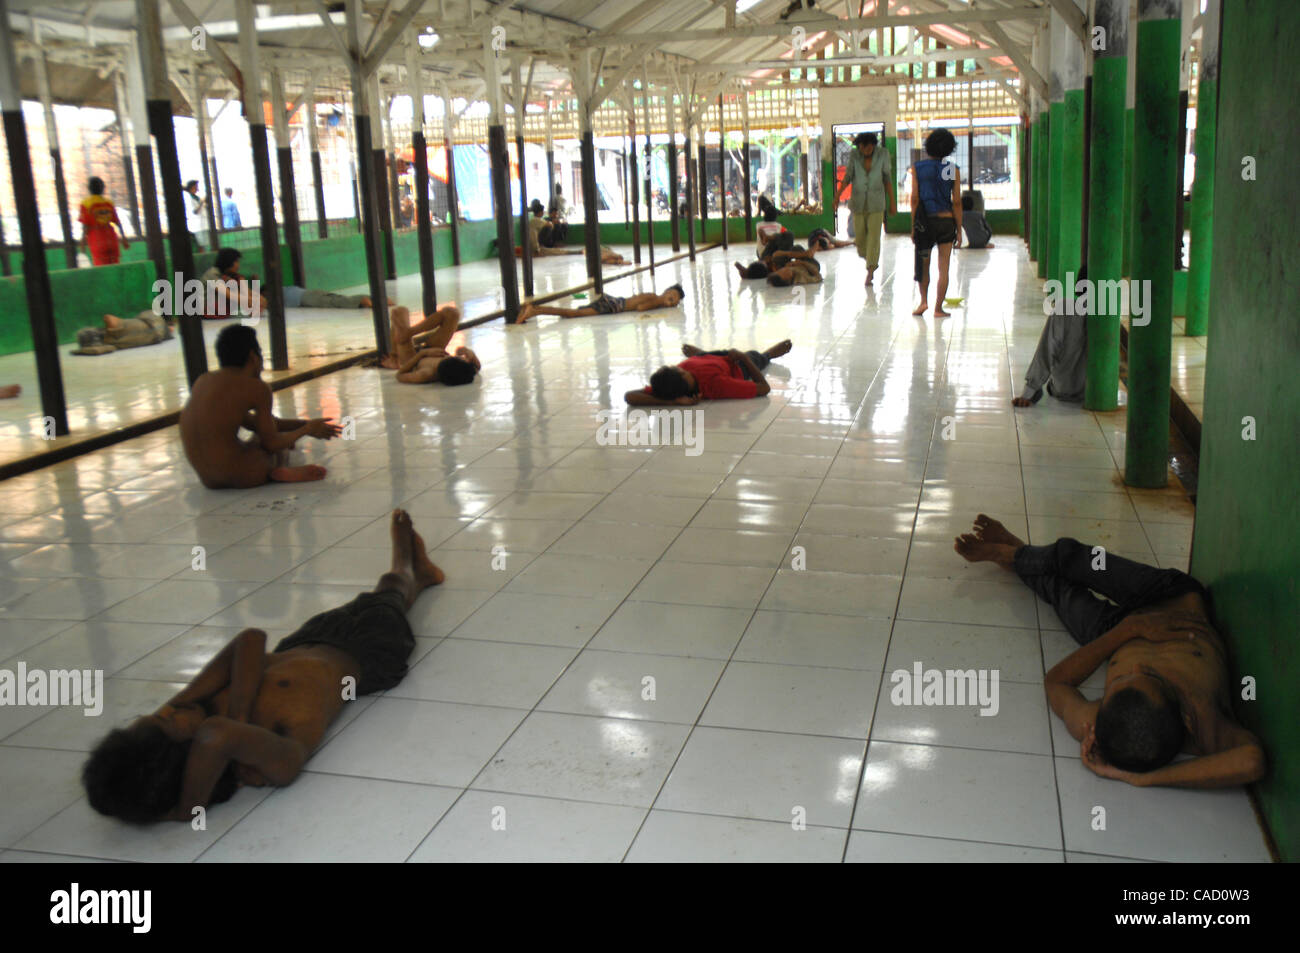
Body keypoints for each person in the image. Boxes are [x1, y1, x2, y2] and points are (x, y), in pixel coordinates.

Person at [81, 509, 445, 823]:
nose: (172, 708)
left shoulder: (207, 705)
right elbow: (216, 736)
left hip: (309, 636)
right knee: (389, 593)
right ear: (185, 755)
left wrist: (191, 697)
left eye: (162, 710)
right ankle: (406, 566)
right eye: (167, 719)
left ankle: (415, 573)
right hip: (367, 653)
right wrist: (189, 808)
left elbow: (252, 639)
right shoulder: (267, 758)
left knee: (375, 598)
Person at [954, 515, 1266, 788]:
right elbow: (1251, 761)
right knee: (1074, 557)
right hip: (1168, 594)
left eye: (1118, 680)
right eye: (1145, 675)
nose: (1136, 667)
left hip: (1116, 632)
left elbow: (1056, 683)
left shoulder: (1099, 724)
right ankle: (1014, 552)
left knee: (1060, 593)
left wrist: (1142, 778)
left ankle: (1015, 551)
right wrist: (1138, 627)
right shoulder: (1207, 720)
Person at [179, 325, 341, 488]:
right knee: (277, 447)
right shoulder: (256, 387)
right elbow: (272, 443)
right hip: (244, 474)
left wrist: (308, 425)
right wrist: (306, 430)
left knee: (271, 432)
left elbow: (254, 423)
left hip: (208, 480)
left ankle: (273, 469)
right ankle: (277, 472)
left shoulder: (203, 381)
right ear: (253, 357)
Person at [626, 340, 792, 406]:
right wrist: (743, 358)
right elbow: (764, 388)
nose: (677, 366)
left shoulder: (667, 386)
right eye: (677, 368)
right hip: (735, 365)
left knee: (702, 357)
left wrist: (672, 402)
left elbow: (629, 396)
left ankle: (701, 354)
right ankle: (769, 354)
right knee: (754, 355)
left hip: (706, 359)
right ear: (683, 375)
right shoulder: (716, 385)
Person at [1014, 266, 1087, 406]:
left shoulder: (1065, 308)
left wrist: (1030, 390)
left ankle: (1037, 388)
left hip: (1065, 390)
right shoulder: (1111, 316)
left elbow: (1047, 350)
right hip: (1100, 393)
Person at [910, 128, 962, 317]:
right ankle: (938, 308)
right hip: (946, 222)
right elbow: (956, 201)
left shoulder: (919, 168)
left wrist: (912, 226)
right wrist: (959, 230)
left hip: (925, 222)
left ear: (928, 146)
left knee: (924, 263)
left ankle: (923, 302)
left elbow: (915, 199)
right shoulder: (950, 169)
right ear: (950, 148)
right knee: (944, 266)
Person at [833, 132, 895, 286]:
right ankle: (869, 259)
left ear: (873, 145)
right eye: (861, 147)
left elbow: (887, 179)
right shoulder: (855, 155)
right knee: (859, 239)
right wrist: (837, 196)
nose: (864, 150)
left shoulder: (883, 154)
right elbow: (847, 177)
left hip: (877, 203)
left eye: (866, 147)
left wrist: (892, 202)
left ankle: (871, 270)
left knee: (874, 237)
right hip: (858, 202)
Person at [386, 304, 481, 386]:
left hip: (412, 359)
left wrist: (423, 354)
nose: (460, 357)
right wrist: (470, 353)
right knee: (452, 313)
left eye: (455, 357)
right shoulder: (463, 371)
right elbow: (477, 367)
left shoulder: (426, 374)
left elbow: (399, 375)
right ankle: (410, 332)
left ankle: (394, 358)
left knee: (400, 312)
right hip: (433, 350)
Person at [514, 284, 684, 324]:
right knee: (573, 314)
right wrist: (659, 304)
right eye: (672, 296)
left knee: (575, 313)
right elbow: (640, 308)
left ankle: (534, 310)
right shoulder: (655, 298)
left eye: (674, 301)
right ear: (667, 291)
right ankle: (535, 310)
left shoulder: (654, 297)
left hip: (612, 303)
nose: (671, 301)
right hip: (613, 305)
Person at [79, 177, 130, 266]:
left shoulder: (85, 204)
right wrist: (124, 238)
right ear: (103, 188)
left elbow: (85, 227)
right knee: (115, 266)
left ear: (89, 188)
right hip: (111, 239)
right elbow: (117, 222)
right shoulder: (109, 203)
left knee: (102, 268)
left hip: (97, 240)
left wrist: (82, 247)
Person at [73, 312, 172, 354]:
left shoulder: (111, 345)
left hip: (155, 334)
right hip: (153, 329)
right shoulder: (114, 332)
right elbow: (108, 318)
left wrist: (80, 351)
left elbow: (96, 351)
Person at [184, 180, 208, 252]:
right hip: (197, 226)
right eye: (196, 186)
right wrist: (202, 202)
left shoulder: (196, 197)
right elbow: (195, 211)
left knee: (203, 245)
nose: (197, 188)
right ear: (192, 187)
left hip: (202, 224)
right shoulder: (189, 198)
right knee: (200, 245)